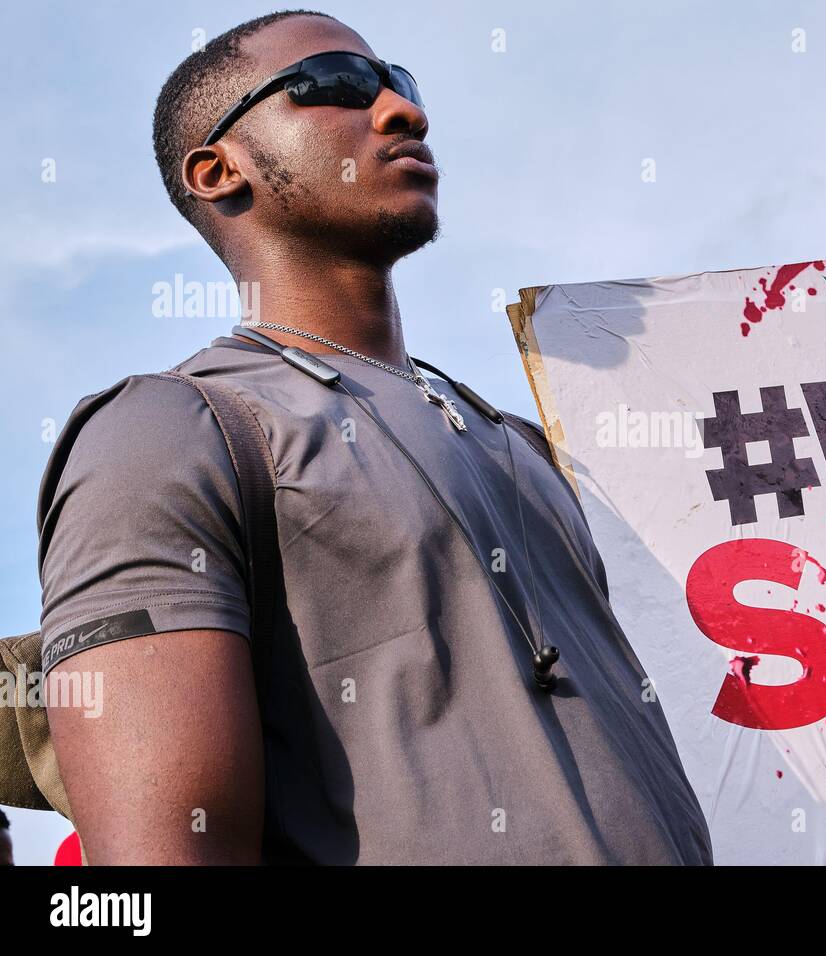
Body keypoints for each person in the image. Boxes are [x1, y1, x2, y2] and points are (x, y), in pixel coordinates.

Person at [39, 10, 712, 865]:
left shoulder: (527, 448)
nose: (403, 112)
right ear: (217, 170)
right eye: (336, 87)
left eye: (403, 84)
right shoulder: (170, 431)